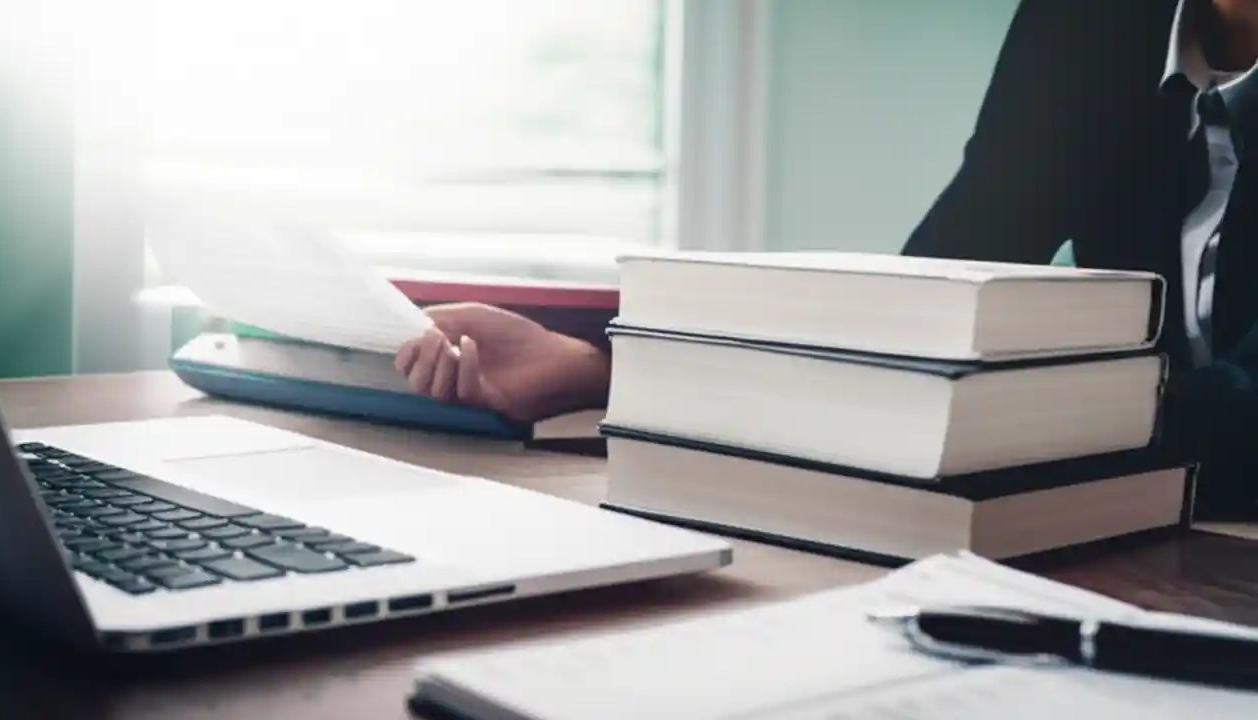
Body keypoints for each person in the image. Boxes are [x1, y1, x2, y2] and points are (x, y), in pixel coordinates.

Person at [399, 0, 1258, 515]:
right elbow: (933, 297)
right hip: (1140, 529)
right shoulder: (1090, 21)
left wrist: (994, 411)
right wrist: (603, 370)